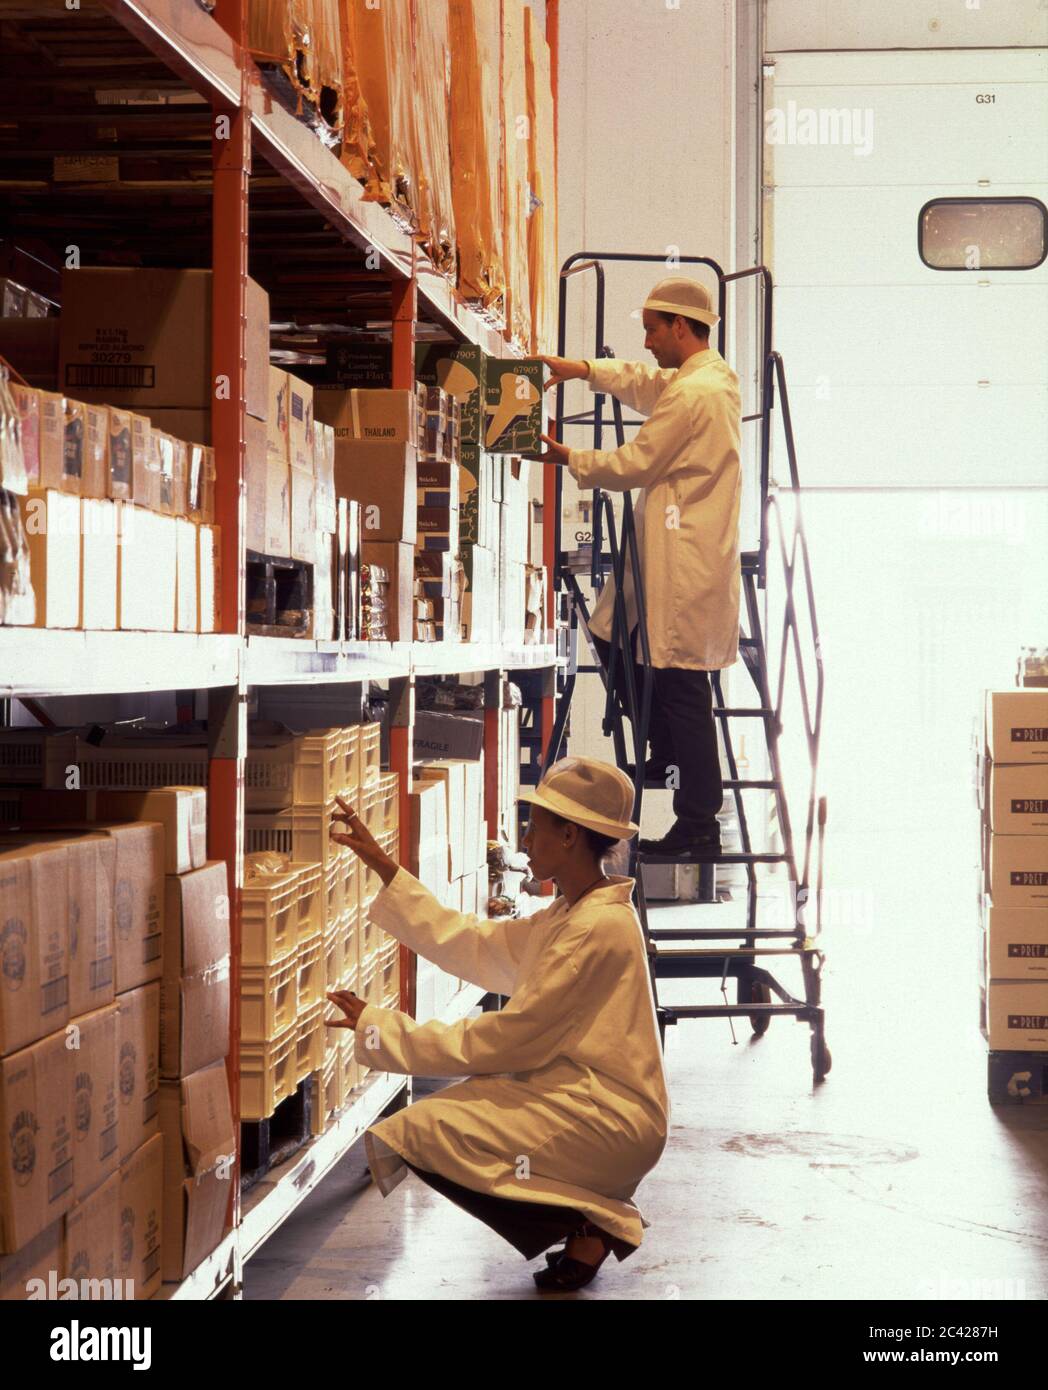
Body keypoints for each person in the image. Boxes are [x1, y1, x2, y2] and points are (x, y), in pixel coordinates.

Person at [326, 756, 670, 1293]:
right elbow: (475, 944)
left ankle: (593, 1221)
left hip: (609, 1123)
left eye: (535, 829)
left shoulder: (592, 931)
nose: (527, 842)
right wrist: (388, 871)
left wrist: (382, 1029)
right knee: (452, 1115)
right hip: (592, 1102)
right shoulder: (573, 915)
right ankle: (590, 1221)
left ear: (570, 835)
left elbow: (507, 1039)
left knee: (427, 1132)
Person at [526, 277, 742, 857]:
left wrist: (566, 455)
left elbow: (635, 463)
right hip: (670, 561)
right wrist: (582, 369)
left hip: (684, 567)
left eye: (650, 328)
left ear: (678, 325)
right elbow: (648, 382)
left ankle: (699, 825)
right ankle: (667, 755)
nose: (646, 341)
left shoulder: (696, 394)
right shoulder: (702, 380)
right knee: (613, 638)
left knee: (683, 693)